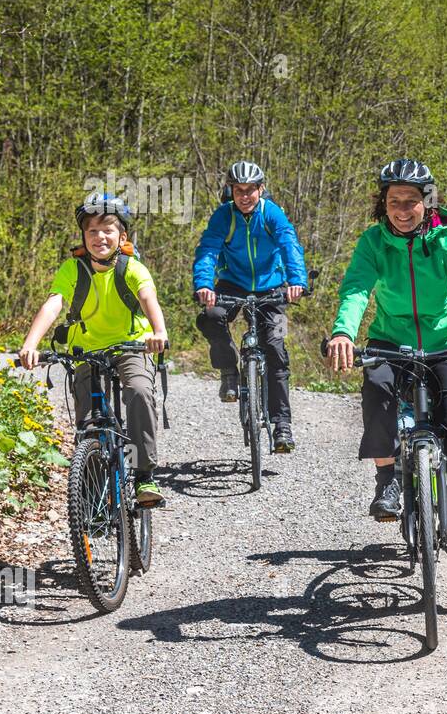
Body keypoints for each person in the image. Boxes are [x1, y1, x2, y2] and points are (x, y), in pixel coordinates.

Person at [325, 158, 447, 576]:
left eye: (411, 201)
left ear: (427, 202)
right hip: (391, 339)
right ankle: (387, 476)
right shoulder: (372, 242)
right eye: (394, 201)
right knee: (377, 389)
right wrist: (342, 333)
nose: (402, 209)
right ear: (383, 204)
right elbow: (356, 289)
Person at [18, 192, 169, 506]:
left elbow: (147, 298)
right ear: (83, 237)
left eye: (107, 230)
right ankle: (95, 495)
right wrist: (30, 344)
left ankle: (144, 475)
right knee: (89, 423)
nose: (100, 237)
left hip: (132, 347)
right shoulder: (72, 270)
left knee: (139, 391)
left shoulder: (131, 268)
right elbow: (53, 304)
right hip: (85, 351)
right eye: (92, 231)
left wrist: (159, 331)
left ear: (121, 236)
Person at [192, 160, 307, 453]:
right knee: (210, 317)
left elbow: (288, 244)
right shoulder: (223, 215)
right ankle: (230, 371)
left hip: (273, 286)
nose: (244, 196)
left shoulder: (272, 213)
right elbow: (208, 250)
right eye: (238, 190)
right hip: (233, 283)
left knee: (276, 347)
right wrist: (204, 284)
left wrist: (296, 280)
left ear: (261, 189)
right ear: (230, 190)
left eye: (250, 190)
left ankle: (282, 425)